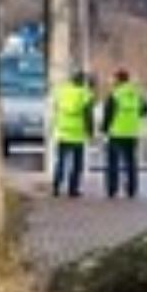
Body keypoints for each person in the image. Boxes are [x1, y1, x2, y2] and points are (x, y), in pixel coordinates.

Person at [101, 67, 147, 200]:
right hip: (132, 133)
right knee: (131, 163)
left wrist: (104, 130)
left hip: (116, 133)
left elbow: (108, 115)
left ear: (118, 79)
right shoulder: (137, 94)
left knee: (113, 163)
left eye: (113, 78)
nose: (112, 81)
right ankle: (131, 190)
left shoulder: (115, 94)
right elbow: (145, 111)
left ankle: (112, 189)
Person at [49, 68, 94, 197]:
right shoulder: (85, 94)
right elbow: (88, 115)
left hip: (62, 132)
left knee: (61, 161)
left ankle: (56, 187)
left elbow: (55, 109)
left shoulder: (61, 92)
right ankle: (72, 189)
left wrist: (53, 127)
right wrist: (90, 132)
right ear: (81, 80)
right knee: (77, 164)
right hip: (78, 134)